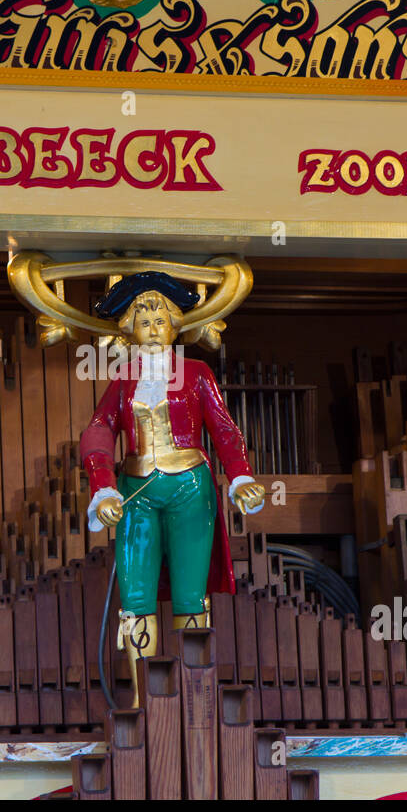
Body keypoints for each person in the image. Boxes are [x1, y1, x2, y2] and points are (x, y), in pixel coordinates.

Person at [79, 271, 265, 704]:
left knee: (189, 592)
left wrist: (240, 476)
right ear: (130, 331)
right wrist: (103, 487)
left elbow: (224, 429)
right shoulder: (124, 379)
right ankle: (146, 701)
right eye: (144, 321)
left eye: (161, 319)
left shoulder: (197, 373)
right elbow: (98, 429)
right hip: (136, 491)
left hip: (189, 488)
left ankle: (192, 698)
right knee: (136, 593)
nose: (154, 328)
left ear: (175, 325)